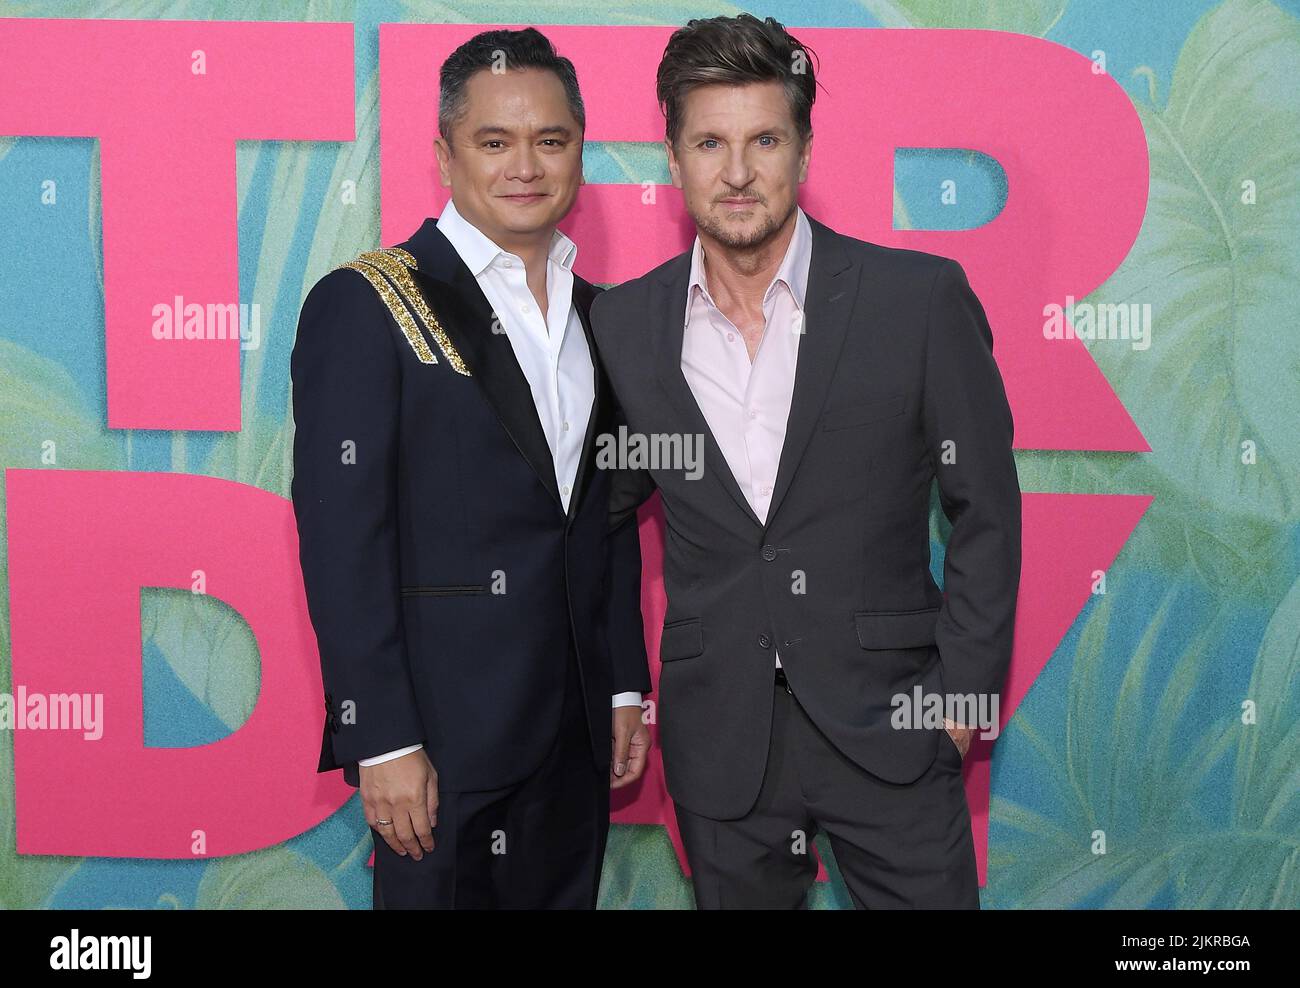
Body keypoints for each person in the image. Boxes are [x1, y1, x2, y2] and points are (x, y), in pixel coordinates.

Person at [590, 14, 1021, 909]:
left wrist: (957, 705)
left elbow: (987, 508)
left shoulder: (917, 301)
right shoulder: (625, 326)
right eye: (709, 141)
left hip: (895, 723)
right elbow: (600, 516)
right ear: (673, 161)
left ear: (805, 150)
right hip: (722, 743)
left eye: (764, 140)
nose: (737, 171)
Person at [290, 27, 651, 909]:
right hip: (439, 748)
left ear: (578, 151)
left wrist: (622, 681)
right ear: (445, 155)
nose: (525, 165)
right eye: (495, 141)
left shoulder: (606, 319)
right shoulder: (369, 301)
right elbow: (343, 541)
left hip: (573, 737)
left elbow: (599, 519)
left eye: (551, 140)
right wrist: (380, 740)